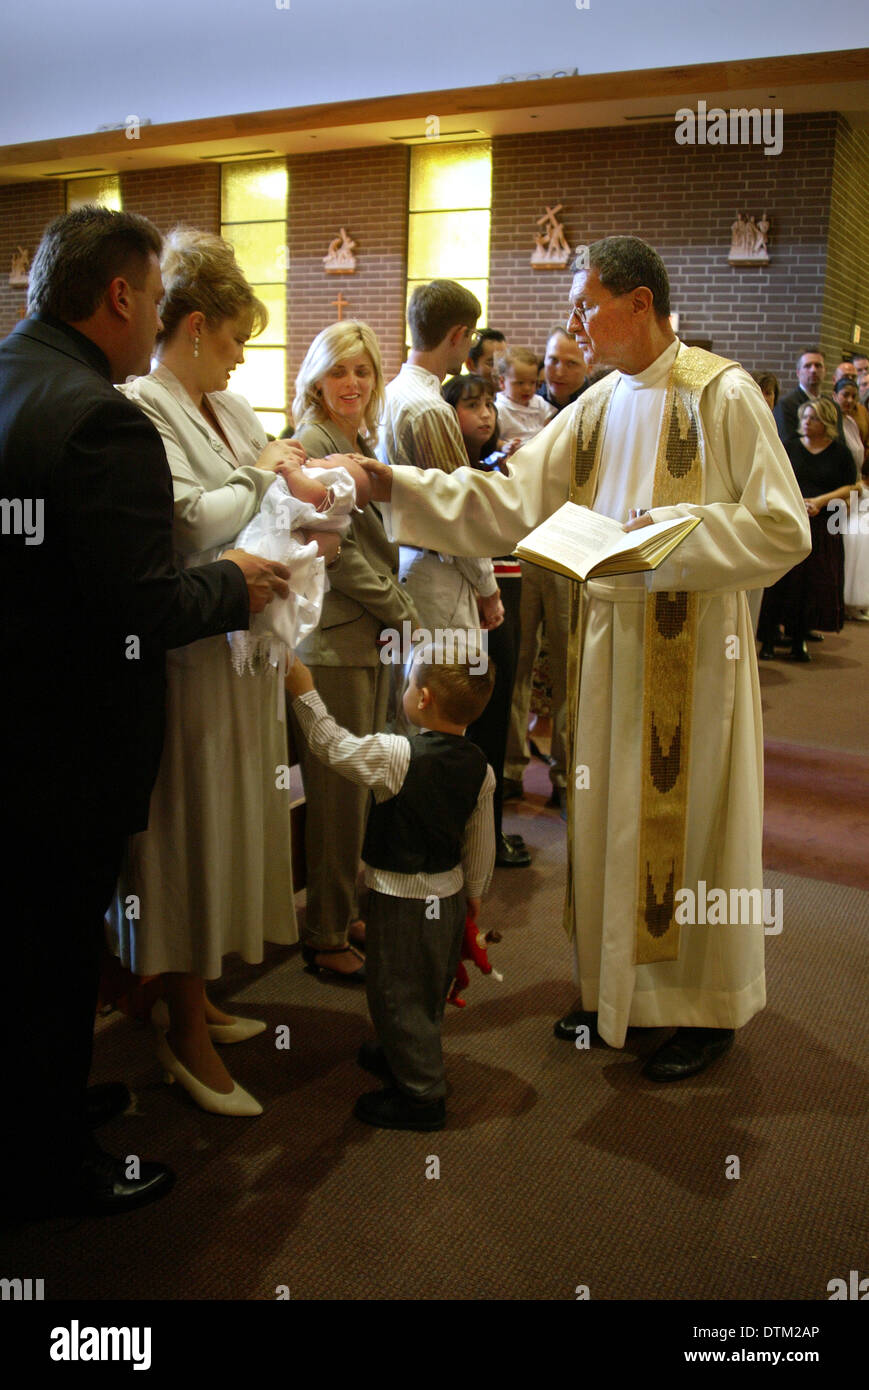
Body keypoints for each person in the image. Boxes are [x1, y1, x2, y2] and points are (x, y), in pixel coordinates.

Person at [359, 235, 811, 1082]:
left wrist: (672, 537)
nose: (574, 320)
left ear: (640, 304)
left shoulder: (722, 394)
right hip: (609, 652)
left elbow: (783, 527)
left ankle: (702, 1009)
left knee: (694, 827)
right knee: (606, 823)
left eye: (587, 303)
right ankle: (617, 991)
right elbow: (508, 503)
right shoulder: (595, 408)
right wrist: (391, 486)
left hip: (693, 659)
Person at [0, 207, 290, 1215]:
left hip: (18, 722)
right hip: (66, 741)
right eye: (156, 298)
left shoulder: (10, 378)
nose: (160, 316)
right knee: (49, 959)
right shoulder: (105, 414)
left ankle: (46, 1113)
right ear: (120, 297)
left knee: (35, 955)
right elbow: (141, 599)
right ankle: (49, 1171)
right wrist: (237, 585)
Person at [105, 228, 340, 1116]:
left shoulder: (227, 406)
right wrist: (263, 474)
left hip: (244, 646)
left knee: (231, 822)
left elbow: (277, 489)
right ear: (194, 326)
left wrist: (305, 490)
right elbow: (191, 522)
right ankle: (180, 1030)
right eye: (237, 338)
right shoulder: (144, 403)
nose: (244, 359)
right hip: (186, 659)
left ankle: (198, 994)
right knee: (183, 835)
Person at [286, 643, 496, 1131]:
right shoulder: (479, 767)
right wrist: (475, 897)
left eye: (405, 685)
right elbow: (479, 841)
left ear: (422, 698)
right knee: (425, 983)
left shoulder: (397, 755)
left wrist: (305, 693)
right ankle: (399, 1051)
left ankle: (423, 1096)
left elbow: (331, 746)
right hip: (445, 900)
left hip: (401, 902)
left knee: (395, 990)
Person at [287, 320, 419, 980]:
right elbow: (333, 557)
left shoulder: (356, 438)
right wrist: (401, 608)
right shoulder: (311, 443)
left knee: (363, 785)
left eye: (362, 371)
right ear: (316, 377)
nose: (352, 382)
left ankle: (343, 907)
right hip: (335, 637)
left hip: (365, 638)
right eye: (339, 371)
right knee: (337, 796)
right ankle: (325, 932)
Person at [377, 279, 504, 695]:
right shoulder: (429, 408)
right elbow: (458, 513)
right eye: (468, 339)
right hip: (439, 573)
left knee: (414, 700)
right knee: (445, 705)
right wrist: (488, 588)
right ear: (458, 335)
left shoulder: (391, 394)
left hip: (404, 562)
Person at [442, 371, 530, 867]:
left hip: (507, 589)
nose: (486, 414)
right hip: (477, 598)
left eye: (489, 404)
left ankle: (489, 834)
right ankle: (472, 838)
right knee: (471, 717)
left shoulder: (497, 466)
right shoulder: (454, 470)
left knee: (495, 719)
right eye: (472, 404)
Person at [757, 398, 858, 661]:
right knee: (781, 581)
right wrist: (797, 502)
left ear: (825, 422)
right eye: (804, 417)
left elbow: (853, 487)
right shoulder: (790, 447)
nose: (805, 422)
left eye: (812, 418)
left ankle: (799, 639)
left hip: (822, 522)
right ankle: (768, 638)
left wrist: (820, 502)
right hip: (791, 517)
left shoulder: (840, 453)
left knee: (810, 584)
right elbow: (775, 478)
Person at [774, 348, 842, 448]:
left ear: (825, 371)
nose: (813, 370)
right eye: (807, 366)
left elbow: (840, 441)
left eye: (818, 366)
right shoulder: (786, 405)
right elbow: (787, 444)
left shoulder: (834, 407)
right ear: (798, 372)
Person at [494, 344, 557, 444]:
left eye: (532, 382)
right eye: (520, 383)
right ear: (502, 382)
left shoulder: (539, 402)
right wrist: (504, 446)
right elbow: (492, 441)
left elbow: (551, 427)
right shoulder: (499, 409)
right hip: (515, 454)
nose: (527, 388)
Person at [538, 326, 589, 412]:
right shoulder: (524, 402)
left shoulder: (600, 405)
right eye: (553, 360)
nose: (559, 373)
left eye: (571, 363)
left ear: (589, 366)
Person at [833, 375, 868, 474]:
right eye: (845, 395)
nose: (850, 400)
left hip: (856, 479)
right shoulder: (830, 422)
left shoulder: (851, 422)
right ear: (834, 395)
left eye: (853, 396)